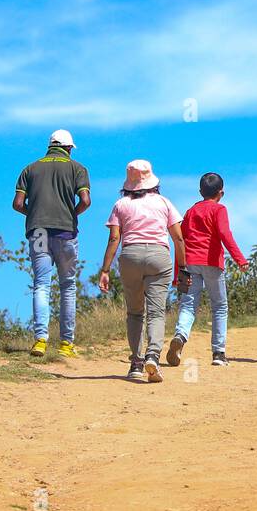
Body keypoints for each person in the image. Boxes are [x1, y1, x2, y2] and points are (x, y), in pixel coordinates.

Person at [96, 160, 190, 383]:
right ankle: (153, 357)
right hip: (159, 256)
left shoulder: (121, 205)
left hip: (130, 256)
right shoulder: (164, 203)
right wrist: (183, 268)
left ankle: (136, 363)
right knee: (157, 312)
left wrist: (105, 270)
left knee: (135, 312)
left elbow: (114, 238)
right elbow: (178, 237)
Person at [12, 129, 91, 358]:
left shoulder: (30, 169)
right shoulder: (77, 168)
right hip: (66, 233)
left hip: (37, 233)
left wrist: (34, 215)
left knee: (41, 285)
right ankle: (66, 344)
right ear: (68, 148)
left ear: (50, 146)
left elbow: (18, 204)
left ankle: (40, 341)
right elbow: (85, 201)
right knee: (67, 286)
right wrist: (72, 215)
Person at [168, 173, 248, 368]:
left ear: (200, 192)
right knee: (219, 306)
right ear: (221, 193)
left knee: (188, 305)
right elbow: (224, 234)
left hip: (190, 263)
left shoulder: (191, 211)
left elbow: (181, 240)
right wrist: (240, 259)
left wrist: (178, 272)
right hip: (212, 262)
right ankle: (218, 353)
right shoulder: (219, 209)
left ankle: (180, 334)